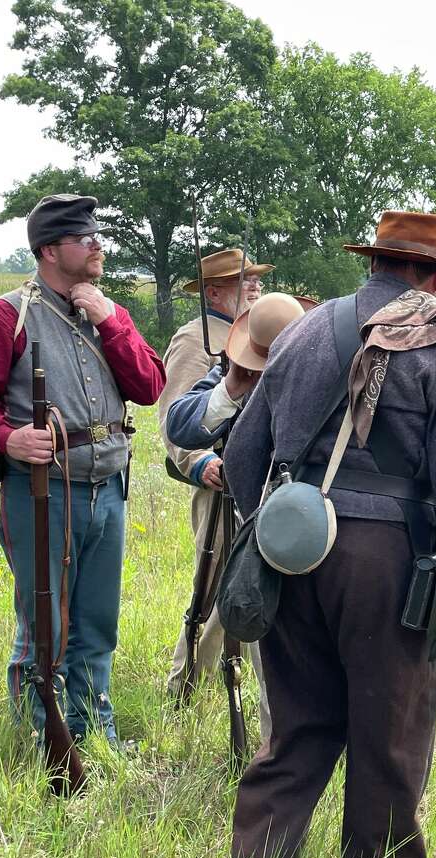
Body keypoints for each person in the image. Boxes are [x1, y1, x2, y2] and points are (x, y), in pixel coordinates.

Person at [221, 211, 436, 858]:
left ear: (375, 265)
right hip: (383, 565)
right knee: (387, 749)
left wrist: (281, 529)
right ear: (431, 275)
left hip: (290, 555)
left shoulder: (303, 328)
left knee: (295, 742)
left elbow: (244, 456)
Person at [0, 194, 165, 746]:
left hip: (108, 487)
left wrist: (110, 321)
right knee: (44, 627)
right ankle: (37, 738)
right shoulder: (6, 316)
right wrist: (7, 438)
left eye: (97, 235)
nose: (98, 245)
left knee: (96, 625)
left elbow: (149, 387)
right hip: (41, 490)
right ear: (49, 250)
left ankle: (95, 733)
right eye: (84, 238)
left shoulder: (107, 312)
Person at [158, 249, 272, 731]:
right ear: (213, 293)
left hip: (254, 484)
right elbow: (174, 418)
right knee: (214, 588)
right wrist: (199, 460)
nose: (253, 287)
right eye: (240, 282)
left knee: (243, 591)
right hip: (216, 483)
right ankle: (184, 685)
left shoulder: (255, 335)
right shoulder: (193, 340)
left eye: (253, 281)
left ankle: (227, 679)